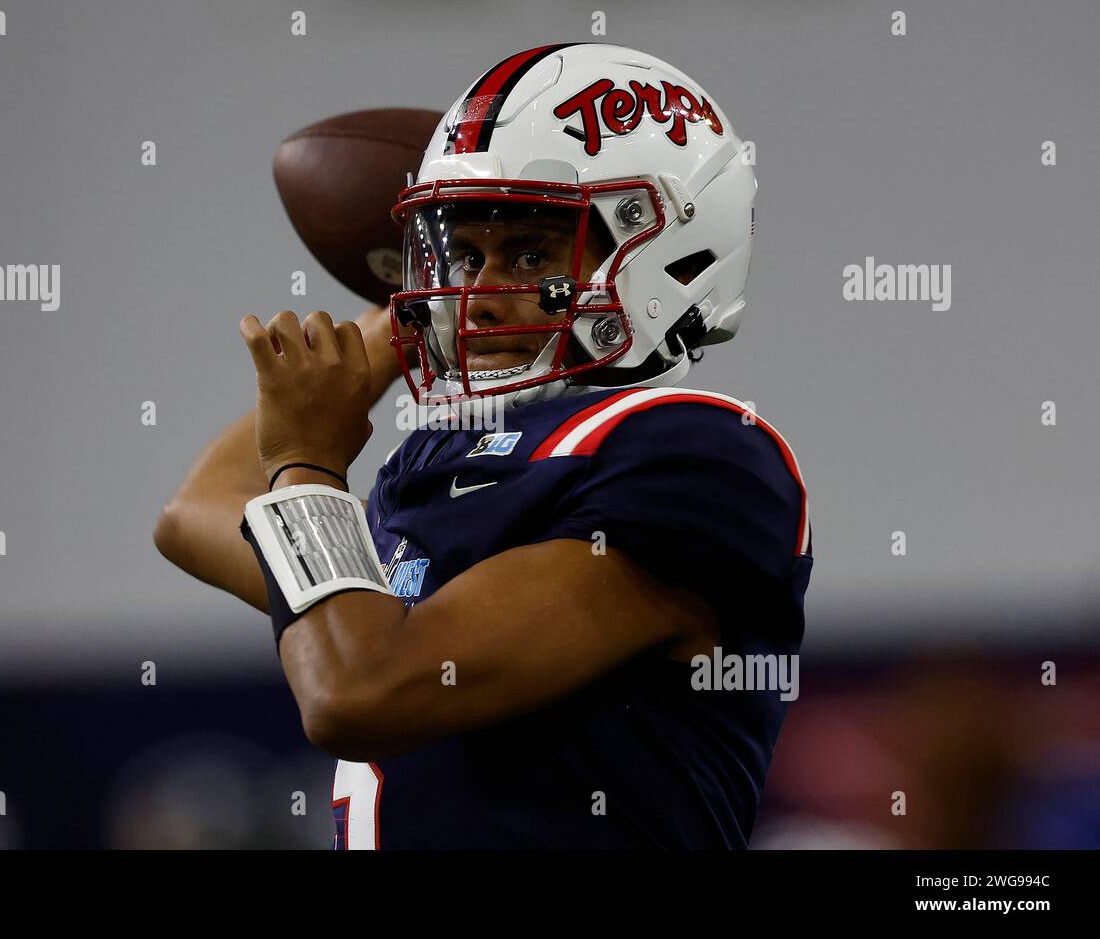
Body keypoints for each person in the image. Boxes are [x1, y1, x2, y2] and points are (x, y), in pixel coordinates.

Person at [155, 43, 811, 848]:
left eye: (529, 253)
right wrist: (395, 329)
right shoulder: (441, 458)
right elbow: (195, 513)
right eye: (463, 257)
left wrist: (311, 463)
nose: (474, 297)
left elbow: (357, 691)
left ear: (662, 242)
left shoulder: (695, 450)